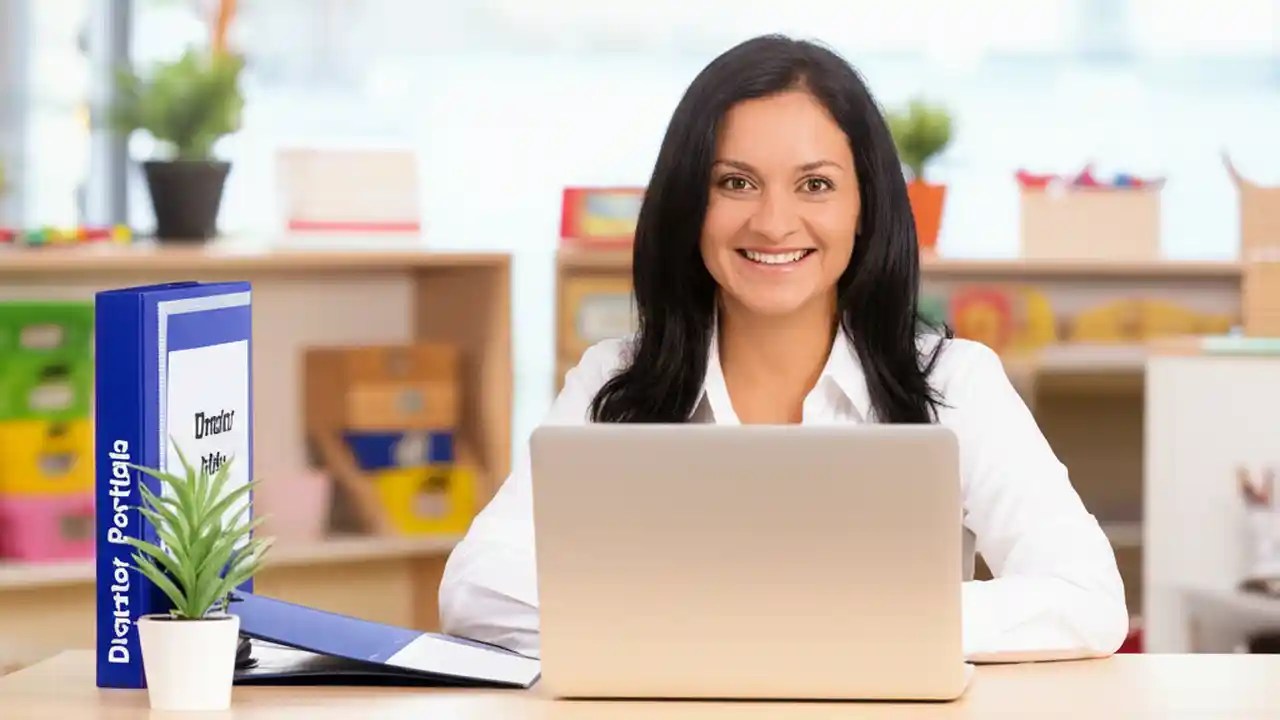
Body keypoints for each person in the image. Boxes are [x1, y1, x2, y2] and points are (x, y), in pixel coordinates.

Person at [439, 34, 1128, 661]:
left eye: (815, 185)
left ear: (865, 209)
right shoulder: (614, 381)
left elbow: (1087, 597)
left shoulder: (954, 382)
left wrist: (812, 625)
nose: (772, 222)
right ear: (691, 205)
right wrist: (752, 626)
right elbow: (478, 587)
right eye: (735, 183)